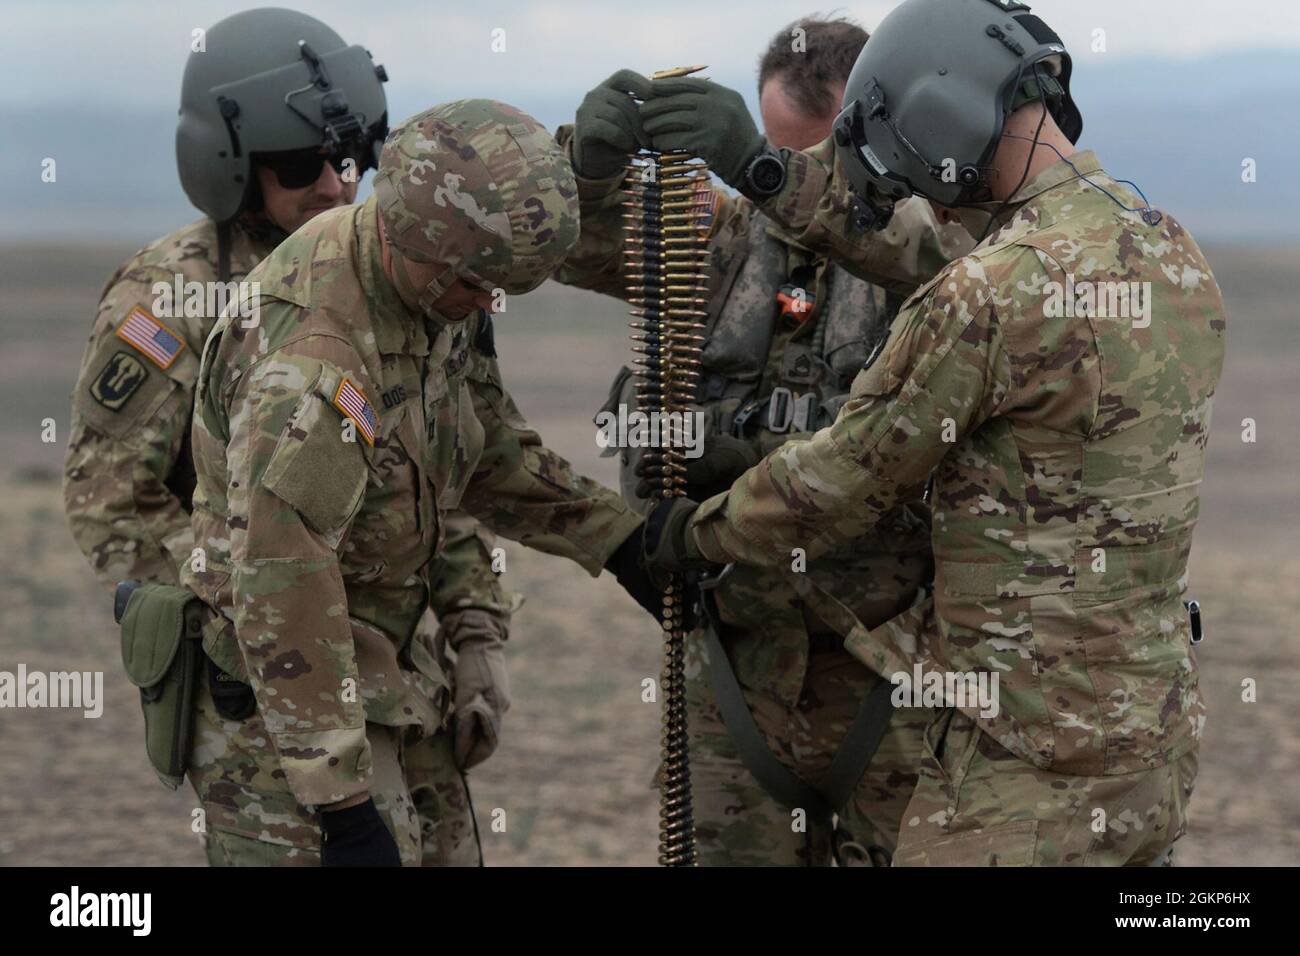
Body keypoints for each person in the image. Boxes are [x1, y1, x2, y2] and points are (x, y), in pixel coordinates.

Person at [641, 0, 1224, 865]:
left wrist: (691, 533)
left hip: (1020, 768)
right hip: (1150, 750)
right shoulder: (1173, 253)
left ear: (936, 116)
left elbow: (838, 483)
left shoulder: (985, 293)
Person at [62, 8, 504, 866]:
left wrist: (475, 629)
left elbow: (441, 476)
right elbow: (110, 502)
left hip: (401, 677)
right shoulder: (173, 296)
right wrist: (244, 598)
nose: (335, 186)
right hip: (263, 695)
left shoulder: (390, 276)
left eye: (349, 159)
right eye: (299, 166)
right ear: (228, 166)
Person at [184, 98, 656, 865]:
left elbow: (486, 449)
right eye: (475, 286)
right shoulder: (314, 364)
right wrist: (340, 804)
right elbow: (281, 580)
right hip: (289, 711)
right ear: (421, 247)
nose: (484, 305)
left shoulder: (438, 289)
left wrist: (619, 540)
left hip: (389, 671)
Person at [557, 16, 971, 866]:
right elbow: (561, 241)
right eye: (767, 155)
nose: (784, 189)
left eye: (809, 161)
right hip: (735, 669)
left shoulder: (952, 256)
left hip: (897, 678)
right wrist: (586, 169)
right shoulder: (718, 237)